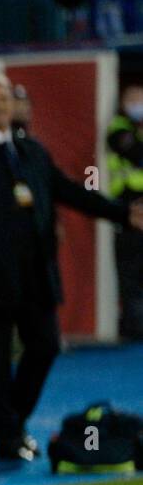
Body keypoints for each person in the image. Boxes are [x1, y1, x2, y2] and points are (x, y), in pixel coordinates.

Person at [0, 74, 143, 462]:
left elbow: (71, 193)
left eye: (3, 100)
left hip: (35, 275)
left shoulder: (34, 153)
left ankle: (13, 422)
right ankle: (8, 440)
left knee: (45, 345)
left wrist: (123, 214)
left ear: (12, 106)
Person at [106, 82, 143, 341]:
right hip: (127, 209)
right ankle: (134, 327)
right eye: (133, 99)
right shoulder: (118, 129)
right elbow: (135, 153)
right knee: (130, 271)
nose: (138, 104)